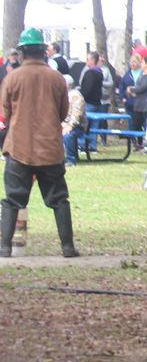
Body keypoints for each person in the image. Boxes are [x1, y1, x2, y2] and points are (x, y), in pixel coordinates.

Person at [0, 28, 78, 257]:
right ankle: (67, 247)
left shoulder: (12, 77)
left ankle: (4, 247)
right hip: (49, 150)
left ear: (22, 52)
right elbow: (64, 113)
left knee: (13, 200)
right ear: (43, 51)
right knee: (59, 199)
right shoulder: (56, 78)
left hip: (18, 148)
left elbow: (4, 112)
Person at [61, 76, 87, 167]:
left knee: (68, 135)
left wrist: (70, 126)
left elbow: (77, 114)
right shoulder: (63, 94)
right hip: (64, 124)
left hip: (78, 126)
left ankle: (71, 159)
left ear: (67, 84)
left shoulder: (75, 95)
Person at [126, 56, 147, 135]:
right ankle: (139, 142)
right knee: (137, 124)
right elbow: (137, 85)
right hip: (138, 103)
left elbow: (142, 87)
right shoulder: (141, 74)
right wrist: (132, 90)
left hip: (145, 105)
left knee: (146, 124)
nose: (141, 64)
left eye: (142, 62)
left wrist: (132, 89)